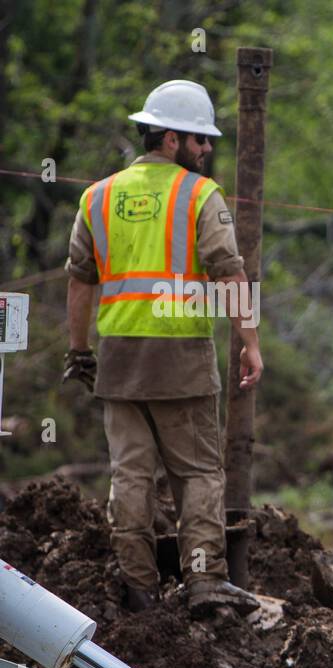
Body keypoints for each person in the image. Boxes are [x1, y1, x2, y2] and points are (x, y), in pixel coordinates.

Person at [63, 80, 264, 616]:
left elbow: (80, 278)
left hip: (119, 362)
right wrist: (251, 342)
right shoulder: (200, 195)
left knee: (129, 476)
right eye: (200, 140)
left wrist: (78, 350)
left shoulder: (97, 195)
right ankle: (204, 584)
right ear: (171, 139)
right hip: (181, 361)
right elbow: (230, 272)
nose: (207, 150)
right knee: (197, 473)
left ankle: (139, 591)